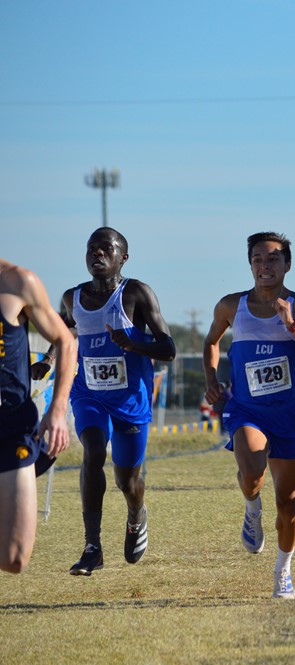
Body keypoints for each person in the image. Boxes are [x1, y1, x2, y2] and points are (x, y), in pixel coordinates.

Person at [203, 232, 295, 599]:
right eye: (258, 259)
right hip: (246, 410)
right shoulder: (231, 305)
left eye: (273, 259)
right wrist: (212, 381)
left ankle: (283, 572)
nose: (265, 265)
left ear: (287, 264)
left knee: (288, 502)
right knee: (254, 476)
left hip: (287, 413)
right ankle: (251, 509)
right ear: (250, 265)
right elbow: (211, 341)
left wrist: (292, 326)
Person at [45, 228, 177, 576]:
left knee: (126, 479)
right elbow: (62, 334)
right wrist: (46, 360)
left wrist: (136, 345)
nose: (97, 254)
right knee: (92, 450)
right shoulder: (71, 298)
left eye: (106, 249)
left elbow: (169, 349)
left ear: (123, 258)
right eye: (91, 249)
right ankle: (93, 547)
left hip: (130, 398)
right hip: (88, 393)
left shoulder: (135, 293)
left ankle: (136, 514)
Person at [1, 259, 76, 573]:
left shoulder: (18, 282)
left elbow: (66, 341)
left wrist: (57, 410)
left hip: (12, 426)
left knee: (14, 557)